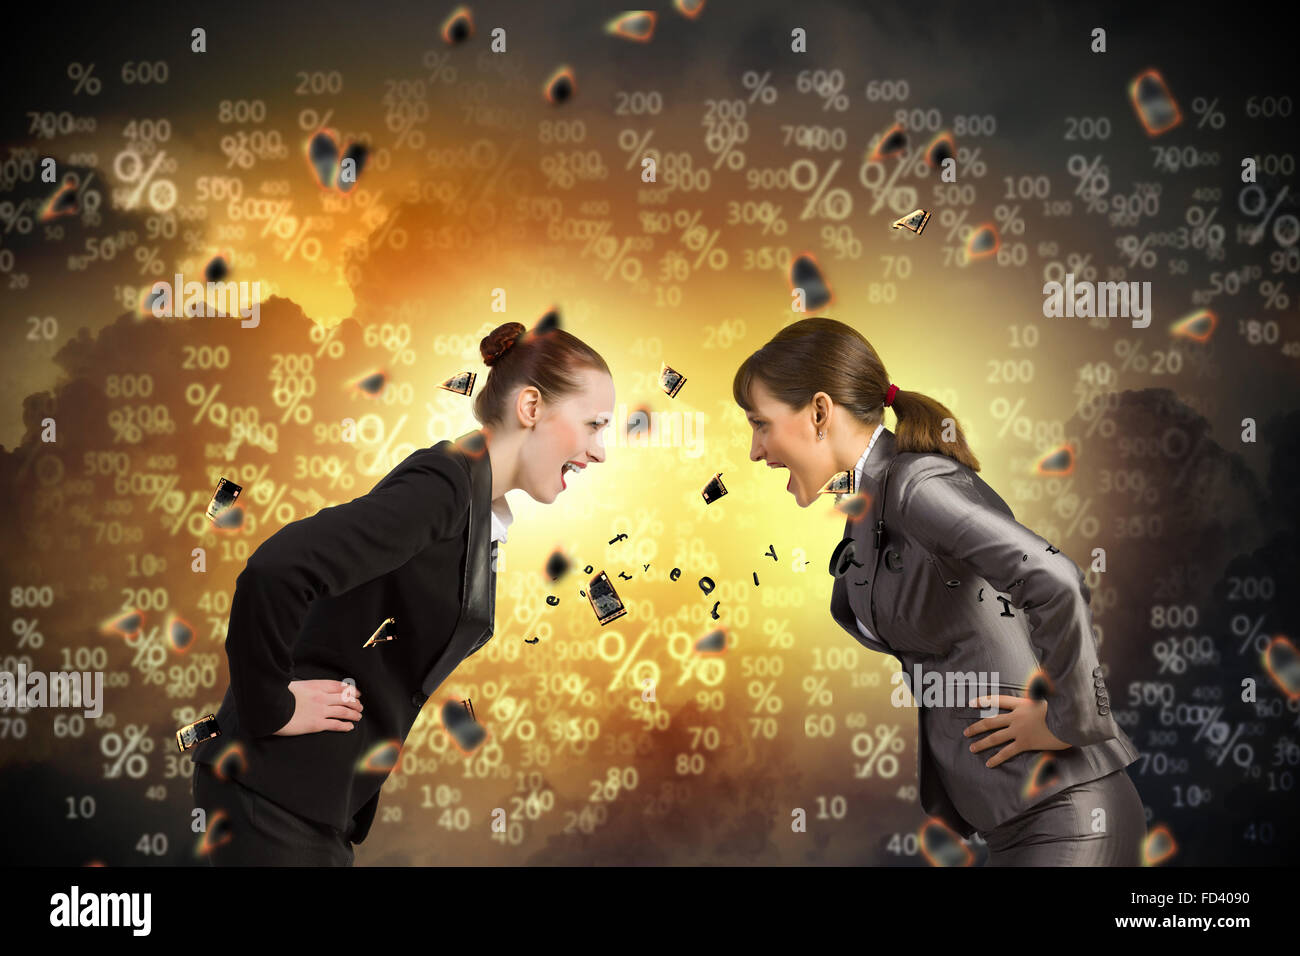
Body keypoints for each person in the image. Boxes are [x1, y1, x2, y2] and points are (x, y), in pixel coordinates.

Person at [190, 314, 614, 864]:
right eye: (594, 424)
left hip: (310, 804)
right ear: (531, 408)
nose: (600, 451)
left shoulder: (475, 504)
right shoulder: (443, 487)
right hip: (274, 796)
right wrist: (270, 707)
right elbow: (277, 571)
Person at [733, 317, 1144, 865]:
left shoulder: (915, 485)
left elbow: (1055, 578)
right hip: (1018, 823)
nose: (755, 450)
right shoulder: (870, 505)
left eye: (761, 423)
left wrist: (1066, 720)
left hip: (1067, 814)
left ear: (819, 412)